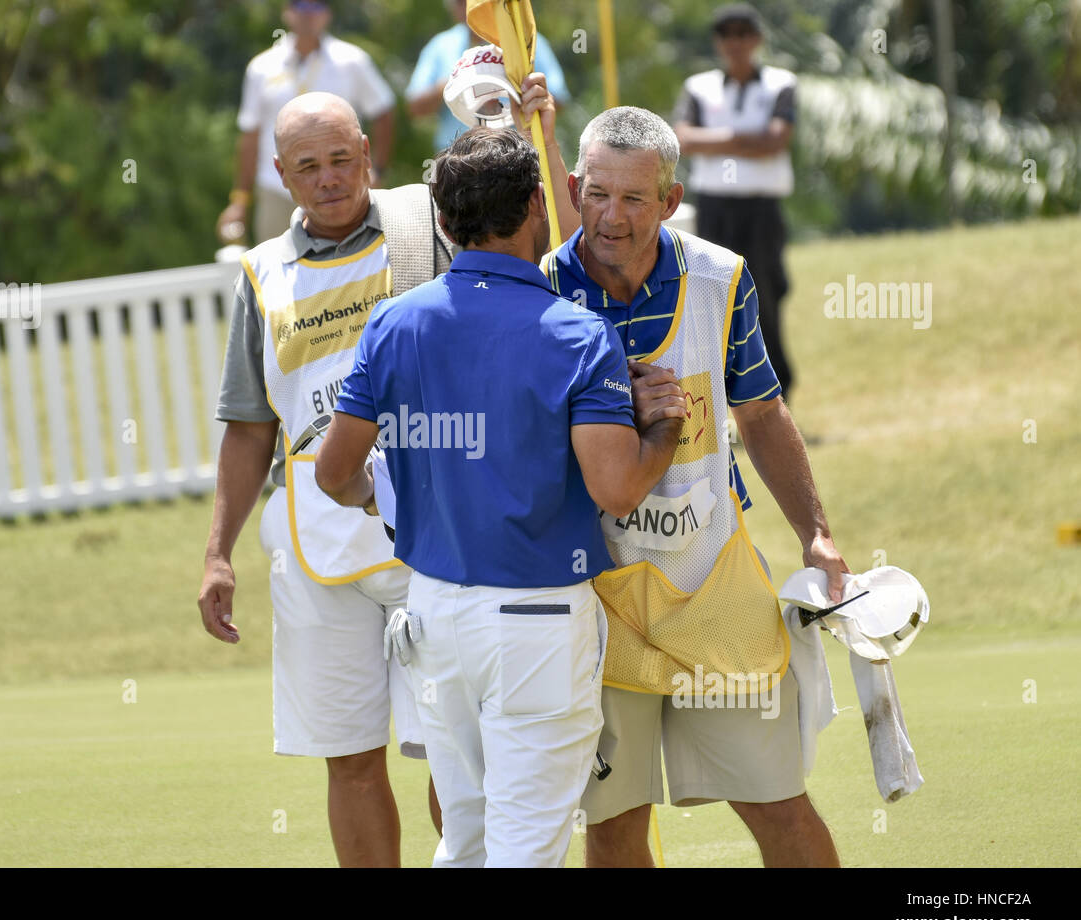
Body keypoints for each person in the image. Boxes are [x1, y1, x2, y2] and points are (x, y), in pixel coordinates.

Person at [196, 75, 564, 866]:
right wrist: (218, 550)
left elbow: (525, 227)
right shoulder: (261, 272)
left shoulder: (423, 223)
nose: (328, 178)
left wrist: (518, 111)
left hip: (433, 523)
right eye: (307, 166)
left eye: (341, 157)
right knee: (351, 756)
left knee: (449, 746)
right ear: (279, 173)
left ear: (368, 152)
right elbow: (249, 421)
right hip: (314, 539)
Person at [313, 126, 686, 867]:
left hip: (433, 612)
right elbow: (615, 487)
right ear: (539, 208)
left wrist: (378, 498)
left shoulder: (394, 320)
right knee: (524, 849)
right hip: (537, 621)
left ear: (444, 223)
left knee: (468, 841)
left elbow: (333, 474)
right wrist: (666, 429)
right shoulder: (576, 333)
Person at [540, 105, 847, 867]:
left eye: (635, 199)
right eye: (599, 193)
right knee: (613, 827)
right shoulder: (540, 288)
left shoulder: (721, 276)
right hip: (599, 598)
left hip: (716, 581)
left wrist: (817, 531)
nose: (612, 216)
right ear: (574, 188)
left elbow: (763, 411)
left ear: (670, 201)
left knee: (777, 802)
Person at [673, 2, 798, 402]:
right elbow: (683, 139)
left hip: (761, 210)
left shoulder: (780, 83)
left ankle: (777, 395)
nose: (736, 42)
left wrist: (718, 140)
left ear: (757, 39)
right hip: (715, 208)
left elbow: (777, 140)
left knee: (766, 298)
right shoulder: (699, 86)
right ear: (718, 42)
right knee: (713, 301)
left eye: (744, 33)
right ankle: (720, 396)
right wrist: (747, 138)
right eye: (728, 34)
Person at [217, 0, 395, 248]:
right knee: (277, 269)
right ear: (287, 13)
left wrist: (377, 170)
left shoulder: (352, 61)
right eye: (300, 5)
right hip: (277, 189)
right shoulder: (262, 67)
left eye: (317, 6)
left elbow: (383, 111)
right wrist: (240, 199)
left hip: (339, 182)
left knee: (351, 261)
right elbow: (249, 137)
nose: (309, 13)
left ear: (328, 14)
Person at [407, 0, 570, 152]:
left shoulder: (526, 38)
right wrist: (454, 83)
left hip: (516, 154)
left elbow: (559, 98)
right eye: (460, 2)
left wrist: (524, 88)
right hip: (456, 160)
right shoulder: (440, 46)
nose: (467, 7)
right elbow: (415, 107)